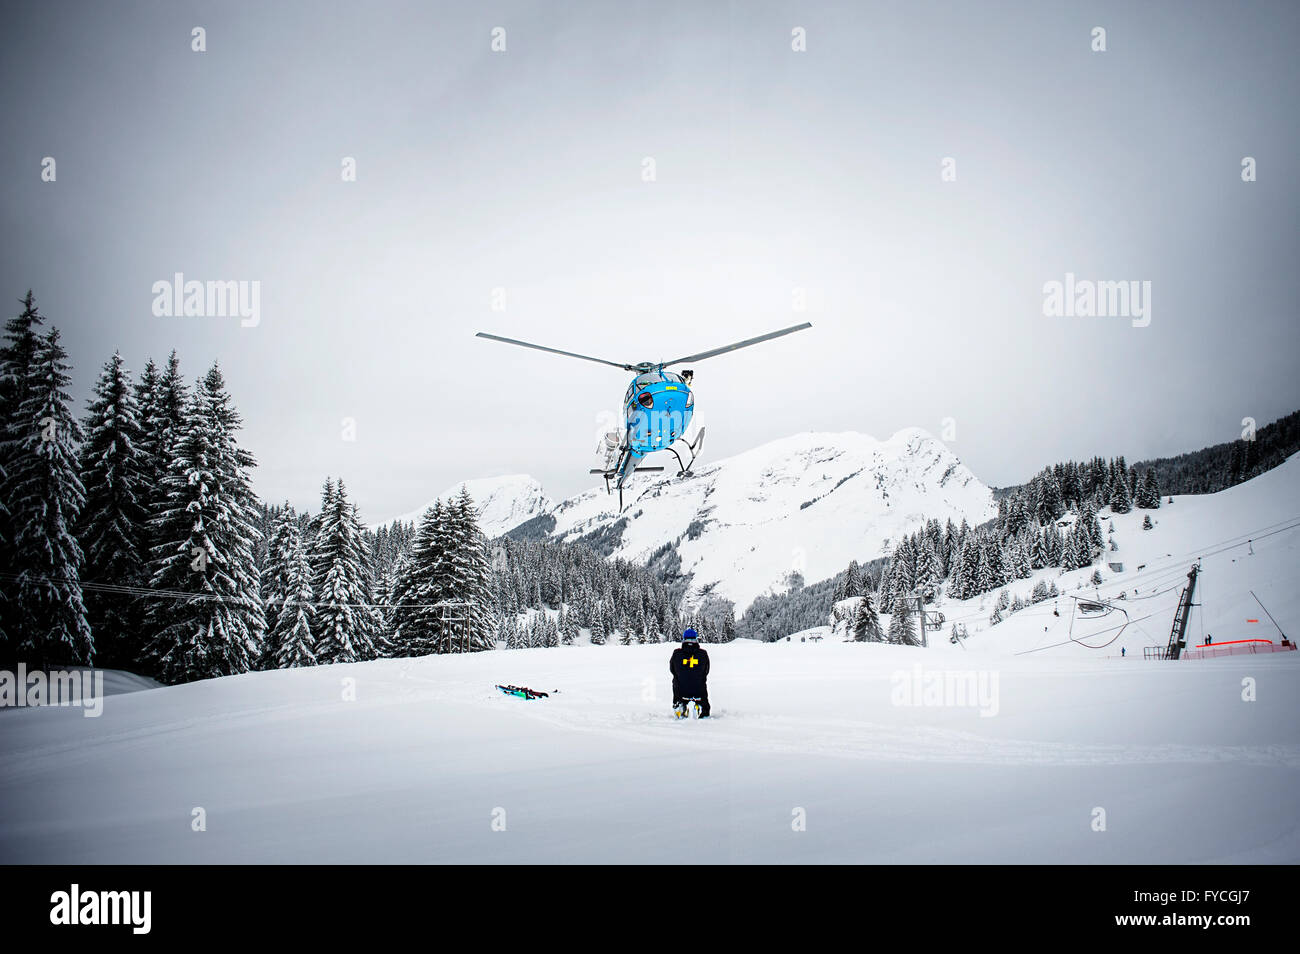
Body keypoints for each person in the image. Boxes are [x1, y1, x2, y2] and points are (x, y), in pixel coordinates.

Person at [670, 629, 710, 717]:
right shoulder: (703, 654)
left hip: (680, 690)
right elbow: (706, 671)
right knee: (701, 681)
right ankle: (702, 708)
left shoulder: (677, 653)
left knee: (676, 680)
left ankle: (678, 705)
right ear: (696, 639)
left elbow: (672, 669)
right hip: (699, 690)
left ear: (684, 639)